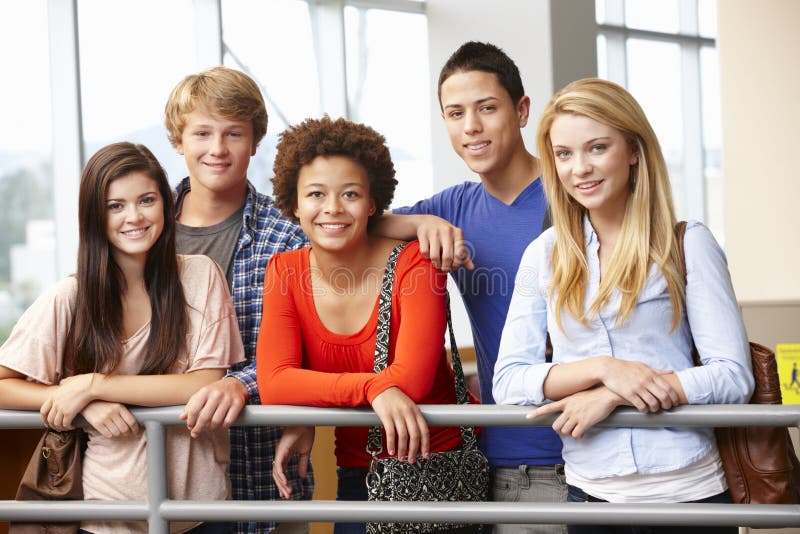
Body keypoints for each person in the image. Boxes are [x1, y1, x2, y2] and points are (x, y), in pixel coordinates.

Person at [492, 78, 755, 533]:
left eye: (597, 148)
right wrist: (603, 369)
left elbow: (733, 376)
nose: (580, 168)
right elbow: (509, 380)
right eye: (564, 154)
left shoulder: (688, 244)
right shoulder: (544, 255)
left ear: (633, 150)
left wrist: (615, 395)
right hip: (590, 497)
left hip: (689, 495)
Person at [0, 142, 244, 534]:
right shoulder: (71, 296)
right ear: (95, 215)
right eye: (116, 206)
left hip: (202, 514)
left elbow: (204, 382)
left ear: (165, 204)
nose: (134, 217)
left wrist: (98, 385)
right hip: (105, 518)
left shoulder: (201, 276)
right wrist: (80, 403)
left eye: (146, 200)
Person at [375, 41, 565, 533]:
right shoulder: (454, 208)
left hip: (612, 446)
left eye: (486, 108)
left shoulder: (574, 190)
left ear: (522, 111)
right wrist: (420, 224)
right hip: (517, 462)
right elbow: (358, 223)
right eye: (455, 113)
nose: (471, 127)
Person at [256, 116, 472, 534]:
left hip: (441, 470)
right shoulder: (284, 271)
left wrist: (353, 390)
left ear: (372, 204)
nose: (333, 208)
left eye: (350, 193)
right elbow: (276, 383)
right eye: (316, 194)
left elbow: (412, 382)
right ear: (295, 204)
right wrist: (374, 385)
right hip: (357, 473)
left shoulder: (415, 262)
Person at [164, 66, 313, 534]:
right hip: (160, 472)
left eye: (234, 133)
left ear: (254, 141)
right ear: (178, 140)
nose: (218, 149)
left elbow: (310, 341)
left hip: (263, 478)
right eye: (202, 133)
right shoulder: (143, 233)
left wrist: (241, 384)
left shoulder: (290, 234)